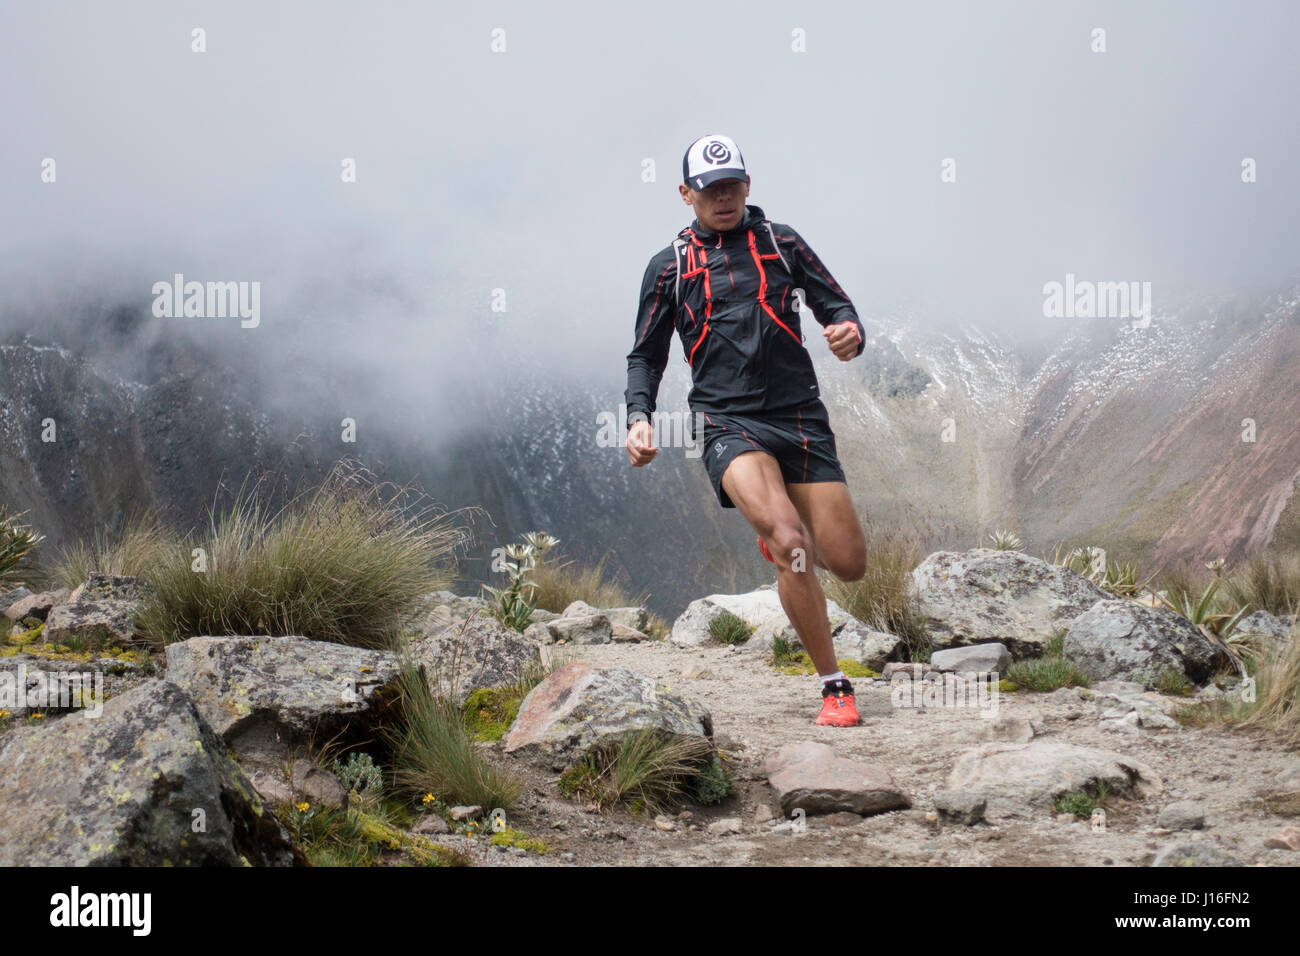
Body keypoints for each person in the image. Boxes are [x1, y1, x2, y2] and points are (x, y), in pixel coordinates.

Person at [624, 133, 869, 727]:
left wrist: (848, 333)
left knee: (848, 562)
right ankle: (834, 685)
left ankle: (782, 542)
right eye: (710, 189)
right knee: (794, 546)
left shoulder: (783, 244)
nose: (723, 197)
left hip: (800, 417)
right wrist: (637, 418)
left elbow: (838, 308)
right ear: (686, 194)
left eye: (732, 184)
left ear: (748, 184)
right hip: (726, 421)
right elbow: (646, 356)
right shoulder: (670, 267)